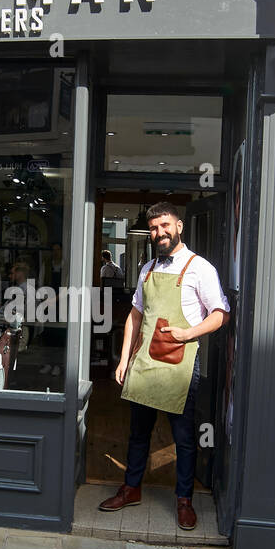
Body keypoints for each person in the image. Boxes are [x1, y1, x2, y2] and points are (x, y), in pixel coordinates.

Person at [99, 201, 229, 531]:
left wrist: (188, 332)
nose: (160, 232)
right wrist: (124, 357)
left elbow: (220, 314)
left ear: (179, 226)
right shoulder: (147, 269)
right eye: (154, 228)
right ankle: (131, 489)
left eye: (165, 225)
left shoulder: (200, 268)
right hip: (145, 362)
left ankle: (184, 500)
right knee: (138, 434)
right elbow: (136, 316)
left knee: (183, 437)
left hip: (179, 364)